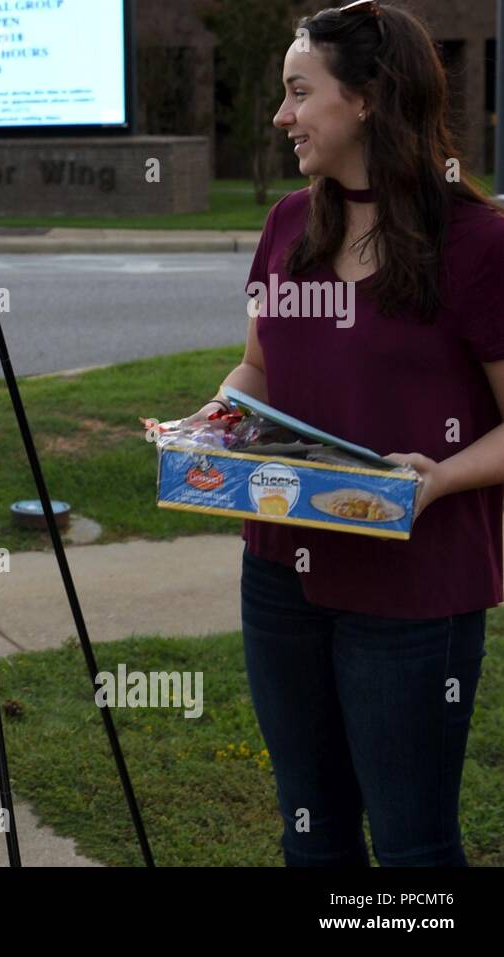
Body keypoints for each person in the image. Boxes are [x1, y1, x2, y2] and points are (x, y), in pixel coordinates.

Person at [188, 2, 504, 866]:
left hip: (412, 588)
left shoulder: (477, 244)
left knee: (411, 842)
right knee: (312, 827)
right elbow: (256, 369)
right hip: (279, 571)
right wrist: (207, 426)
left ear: (366, 98)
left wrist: (436, 476)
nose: (282, 115)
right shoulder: (290, 222)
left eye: (299, 93)